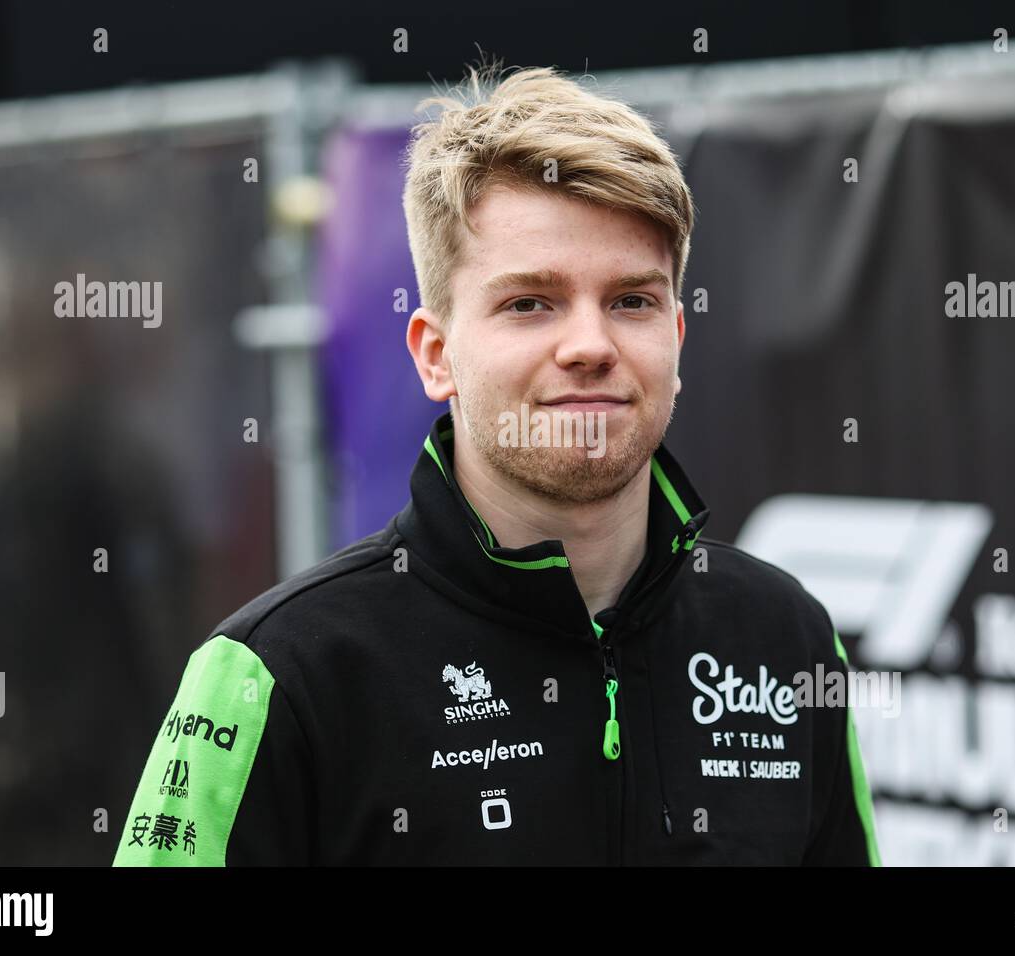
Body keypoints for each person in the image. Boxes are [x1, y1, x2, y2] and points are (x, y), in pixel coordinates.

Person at [113, 63, 880, 866]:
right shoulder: (276, 673)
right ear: (436, 355)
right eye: (529, 304)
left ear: (676, 343)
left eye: (631, 300)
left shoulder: (785, 639)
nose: (589, 345)